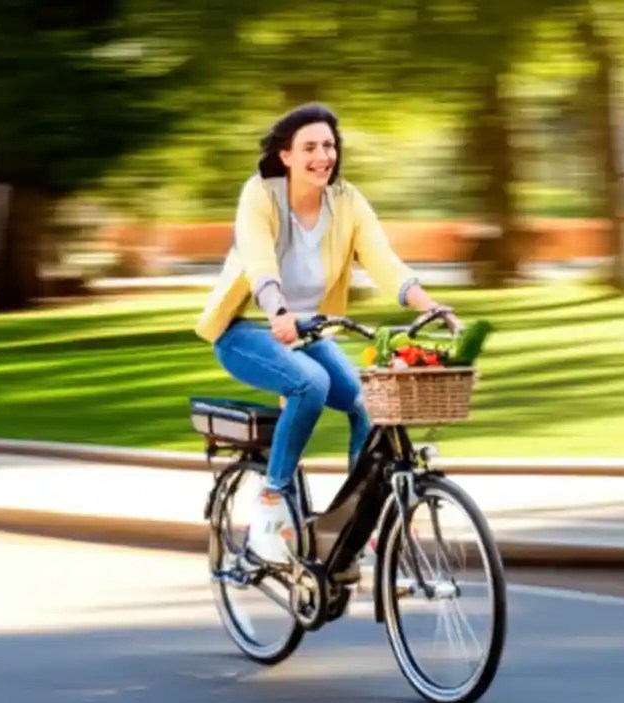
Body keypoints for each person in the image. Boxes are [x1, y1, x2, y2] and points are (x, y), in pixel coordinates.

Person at [194, 103, 457, 564]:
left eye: (329, 146)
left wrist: (427, 303)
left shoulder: (347, 201)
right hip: (246, 330)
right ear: (285, 156)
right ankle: (271, 505)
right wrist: (277, 310)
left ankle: (359, 521)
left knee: (368, 405)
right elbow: (258, 261)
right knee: (309, 385)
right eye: (310, 147)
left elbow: (382, 259)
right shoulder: (260, 195)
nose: (323, 156)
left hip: (310, 332)